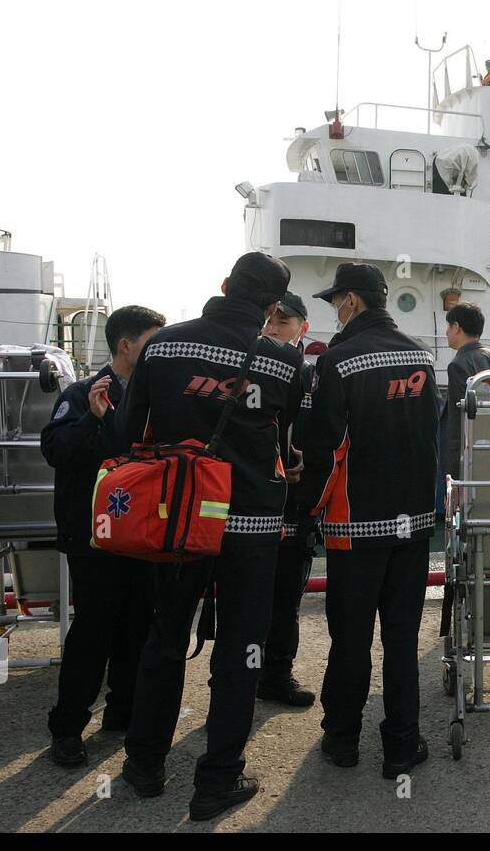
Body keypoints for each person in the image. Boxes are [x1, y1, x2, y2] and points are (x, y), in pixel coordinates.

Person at [119, 253, 302, 821]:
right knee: (242, 650)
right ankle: (217, 781)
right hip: (250, 527)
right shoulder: (284, 361)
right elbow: (293, 445)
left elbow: (128, 432)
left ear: (223, 286)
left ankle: (145, 764)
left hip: (179, 520)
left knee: (166, 638)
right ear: (273, 307)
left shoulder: (163, 345)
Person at [301, 264, 439, 779]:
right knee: (402, 640)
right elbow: (429, 437)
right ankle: (402, 747)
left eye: (336, 300)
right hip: (414, 525)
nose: (334, 310)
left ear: (353, 302)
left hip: (354, 530)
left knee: (351, 639)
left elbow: (324, 448)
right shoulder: (420, 355)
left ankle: (342, 740)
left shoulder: (337, 362)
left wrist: (306, 513)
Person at [42, 305, 165, 767]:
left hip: (144, 535)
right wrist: (92, 419)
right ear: (126, 345)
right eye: (154, 340)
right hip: (95, 536)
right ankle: (68, 726)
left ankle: (123, 711)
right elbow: (55, 450)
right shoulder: (82, 394)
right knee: (93, 630)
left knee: (138, 624)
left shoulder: (157, 398)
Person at [257, 292, 318, 707]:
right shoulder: (251, 364)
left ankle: (276, 674)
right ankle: (233, 677)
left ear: (302, 327)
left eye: (284, 321)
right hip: (253, 497)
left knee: (287, 597)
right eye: (272, 320)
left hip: (295, 500)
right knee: (245, 596)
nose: (275, 327)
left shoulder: (312, 374)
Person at [439, 301, 490, 636]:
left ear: (456, 326)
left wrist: (453, 478)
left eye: (448, 326)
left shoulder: (460, 365)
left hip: (473, 467)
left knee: (468, 542)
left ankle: (472, 617)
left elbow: (459, 425)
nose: (446, 333)